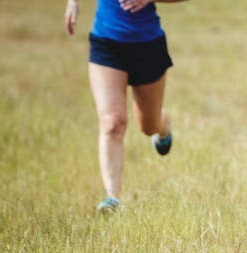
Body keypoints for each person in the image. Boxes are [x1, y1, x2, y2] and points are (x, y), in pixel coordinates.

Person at [65, 0, 184, 215]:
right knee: (112, 122)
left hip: (148, 44)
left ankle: (162, 124)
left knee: (149, 125)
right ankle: (113, 198)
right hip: (106, 42)